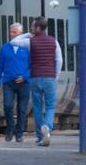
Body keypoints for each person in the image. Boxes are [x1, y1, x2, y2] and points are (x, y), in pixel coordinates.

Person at [23, 17, 61, 146]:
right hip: (50, 78)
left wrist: (28, 35)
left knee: (37, 107)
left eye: (33, 27)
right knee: (50, 106)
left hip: (35, 78)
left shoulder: (30, 42)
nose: (31, 29)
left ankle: (40, 137)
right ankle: (47, 127)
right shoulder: (53, 41)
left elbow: (14, 42)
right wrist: (56, 75)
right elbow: (59, 60)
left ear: (38, 28)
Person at [0, 22, 31, 143]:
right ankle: (10, 127)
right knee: (8, 105)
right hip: (8, 82)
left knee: (22, 109)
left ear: (21, 34)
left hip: (24, 82)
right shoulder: (5, 47)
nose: (12, 34)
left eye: (15, 32)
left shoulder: (27, 47)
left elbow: (33, 66)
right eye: (11, 32)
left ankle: (19, 133)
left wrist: (25, 76)